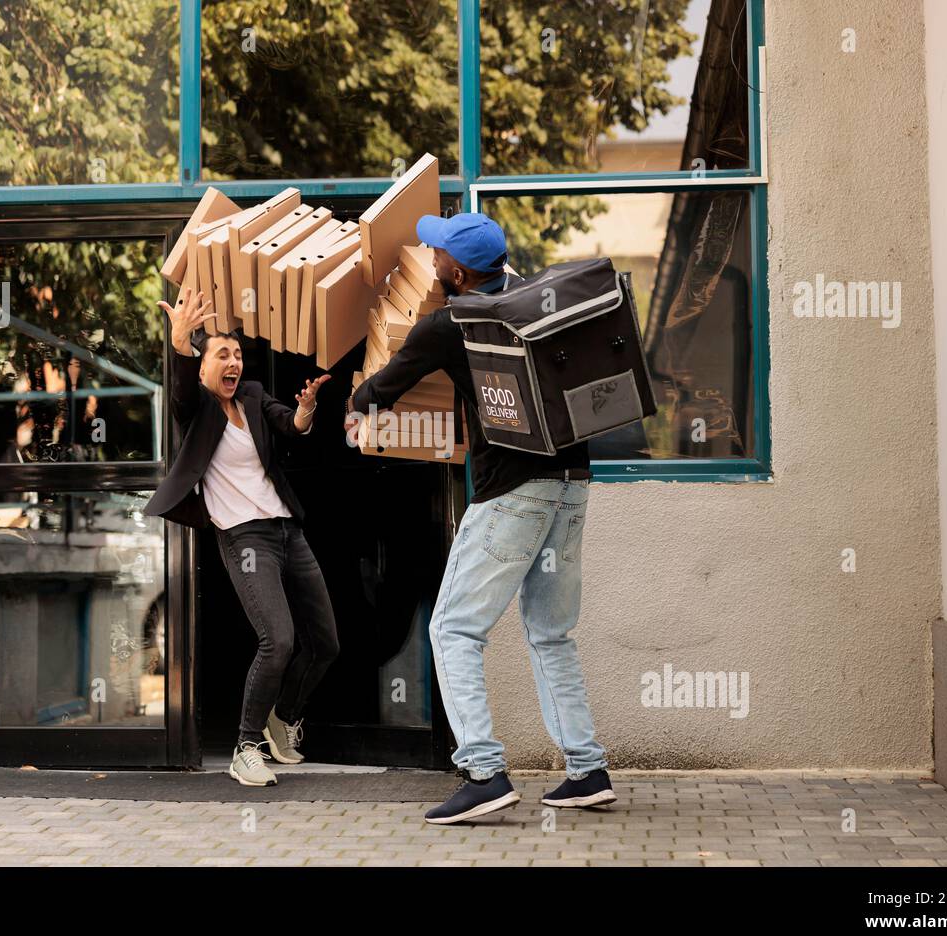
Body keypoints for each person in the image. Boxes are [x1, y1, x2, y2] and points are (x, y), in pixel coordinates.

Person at [347, 213, 616, 824]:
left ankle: (483, 771)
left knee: (452, 630)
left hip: (512, 494)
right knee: (551, 634)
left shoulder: (450, 324)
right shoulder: (530, 303)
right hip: (572, 486)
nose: (430, 255)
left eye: (438, 251)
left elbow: (389, 383)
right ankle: (587, 769)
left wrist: (356, 401)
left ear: (459, 271)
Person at [145, 287, 338, 786]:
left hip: (286, 530)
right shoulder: (198, 408)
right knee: (278, 640)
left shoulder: (250, 395)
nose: (232, 363)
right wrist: (181, 340)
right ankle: (245, 747)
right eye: (222, 355)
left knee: (325, 642)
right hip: (243, 537)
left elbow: (288, 424)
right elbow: (183, 384)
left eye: (236, 354)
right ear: (206, 366)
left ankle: (283, 717)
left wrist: (306, 409)